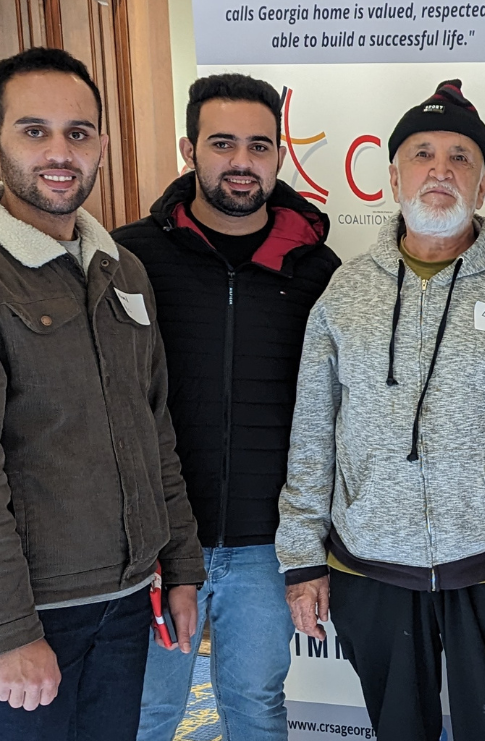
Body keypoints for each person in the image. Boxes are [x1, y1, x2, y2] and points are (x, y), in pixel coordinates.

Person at [0, 47, 204, 741]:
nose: (60, 152)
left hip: (126, 601)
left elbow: (156, 430)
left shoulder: (121, 269)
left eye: (79, 132)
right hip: (33, 613)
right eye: (34, 131)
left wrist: (181, 566)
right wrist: (8, 634)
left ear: (100, 143)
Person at [276, 79, 485, 741]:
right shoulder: (344, 292)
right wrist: (302, 560)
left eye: (460, 156)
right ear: (392, 175)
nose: (440, 169)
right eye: (422, 153)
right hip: (369, 566)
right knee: (397, 730)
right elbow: (311, 435)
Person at [113, 74, 341, 741]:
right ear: (190, 150)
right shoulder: (129, 258)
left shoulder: (316, 269)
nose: (242, 162)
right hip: (156, 543)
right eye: (223, 143)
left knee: (255, 704)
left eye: (260, 146)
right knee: (148, 713)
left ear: (279, 155)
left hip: (265, 546)